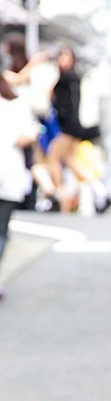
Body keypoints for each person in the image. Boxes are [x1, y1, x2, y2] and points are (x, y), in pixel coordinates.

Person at [46, 47, 111, 212]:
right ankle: (99, 189)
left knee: (53, 156)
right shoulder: (74, 77)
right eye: (60, 55)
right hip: (74, 126)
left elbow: (64, 104)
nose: (62, 59)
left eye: (66, 56)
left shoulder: (66, 79)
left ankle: (60, 193)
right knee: (71, 161)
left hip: (67, 126)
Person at [0, 74, 39, 300]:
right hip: (9, 172)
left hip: (9, 172)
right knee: (2, 229)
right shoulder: (17, 105)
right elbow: (25, 137)